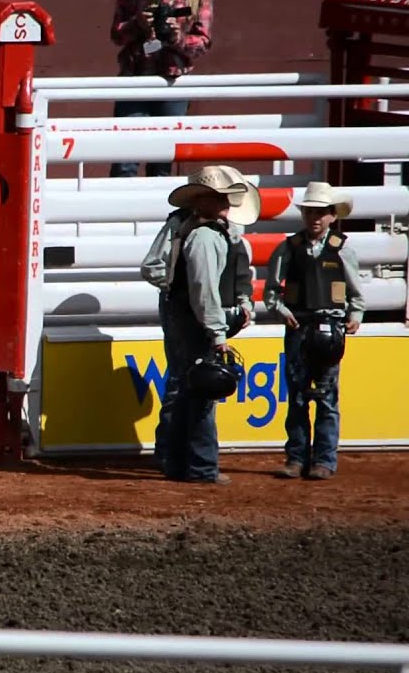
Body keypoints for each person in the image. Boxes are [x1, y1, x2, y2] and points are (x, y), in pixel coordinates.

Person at [161, 166, 260, 485]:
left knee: (187, 391)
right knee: (200, 394)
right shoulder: (207, 237)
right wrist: (217, 333)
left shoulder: (197, 233)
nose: (226, 205)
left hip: (186, 319)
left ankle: (177, 462)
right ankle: (201, 466)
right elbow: (204, 290)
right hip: (196, 324)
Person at [141, 204, 252, 474]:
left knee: (185, 384)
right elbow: (204, 289)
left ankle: (175, 456)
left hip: (187, 311)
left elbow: (233, 272)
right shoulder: (201, 232)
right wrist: (217, 329)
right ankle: (195, 463)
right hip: (190, 315)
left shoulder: (205, 228)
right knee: (196, 386)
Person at [263, 182, 364, 481]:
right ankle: (296, 457)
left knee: (327, 397)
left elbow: (355, 293)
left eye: (321, 213)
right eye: (310, 212)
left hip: (330, 328)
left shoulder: (343, 249)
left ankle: (323, 459)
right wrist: (282, 312)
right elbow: (271, 292)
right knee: (296, 395)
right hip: (299, 327)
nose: (315, 218)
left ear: (332, 215)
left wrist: (355, 316)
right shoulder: (288, 248)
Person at [108, 0, 212, 178]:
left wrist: (178, 38)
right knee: (125, 160)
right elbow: (117, 35)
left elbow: (202, 43)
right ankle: (122, 212)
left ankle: (157, 212)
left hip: (173, 83)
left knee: (162, 162)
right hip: (135, 77)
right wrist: (138, 25)